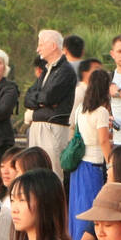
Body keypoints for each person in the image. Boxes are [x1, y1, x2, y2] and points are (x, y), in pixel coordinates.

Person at [68, 68, 113, 240]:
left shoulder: (81, 108)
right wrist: (110, 162)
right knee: (91, 208)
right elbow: (103, 140)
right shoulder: (101, 111)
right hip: (94, 165)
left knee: (77, 207)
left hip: (79, 165)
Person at [22, 31, 77, 177]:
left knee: (52, 173)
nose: (37, 49)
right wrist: (39, 102)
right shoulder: (47, 70)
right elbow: (27, 98)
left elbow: (49, 97)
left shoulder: (66, 71)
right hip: (38, 126)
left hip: (53, 128)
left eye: (41, 45)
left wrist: (40, 102)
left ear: (53, 46)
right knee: (34, 172)